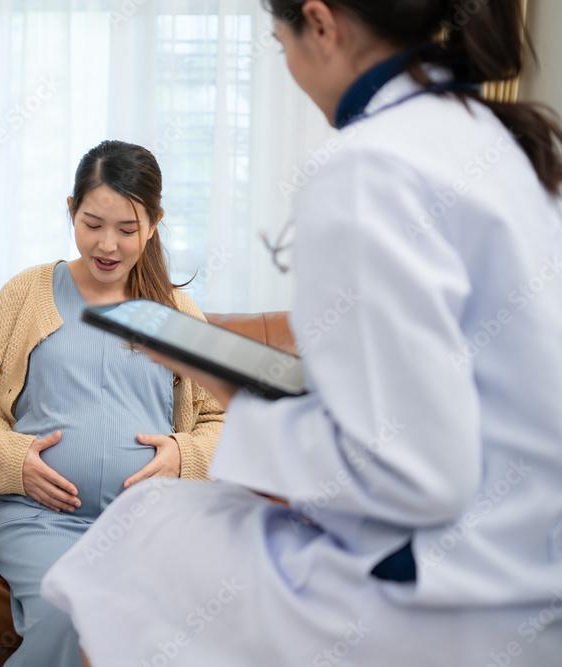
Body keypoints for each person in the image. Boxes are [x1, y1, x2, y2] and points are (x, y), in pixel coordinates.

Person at [41, 1, 562, 665]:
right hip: (527, 572)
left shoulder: (366, 162)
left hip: (452, 593)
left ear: (319, 23)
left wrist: (240, 391)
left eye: (279, 39)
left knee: (134, 536)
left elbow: (416, 472)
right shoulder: (491, 136)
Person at [0, 140, 224, 666]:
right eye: (92, 223)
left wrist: (183, 456)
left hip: (147, 527)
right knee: (70, 611)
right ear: (70, 211)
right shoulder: (26, 294)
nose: (107, 245)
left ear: (154, 223)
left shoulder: (178, 314)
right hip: (39, 520)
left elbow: (217, 419)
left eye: (127, 229)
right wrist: (13, 460)